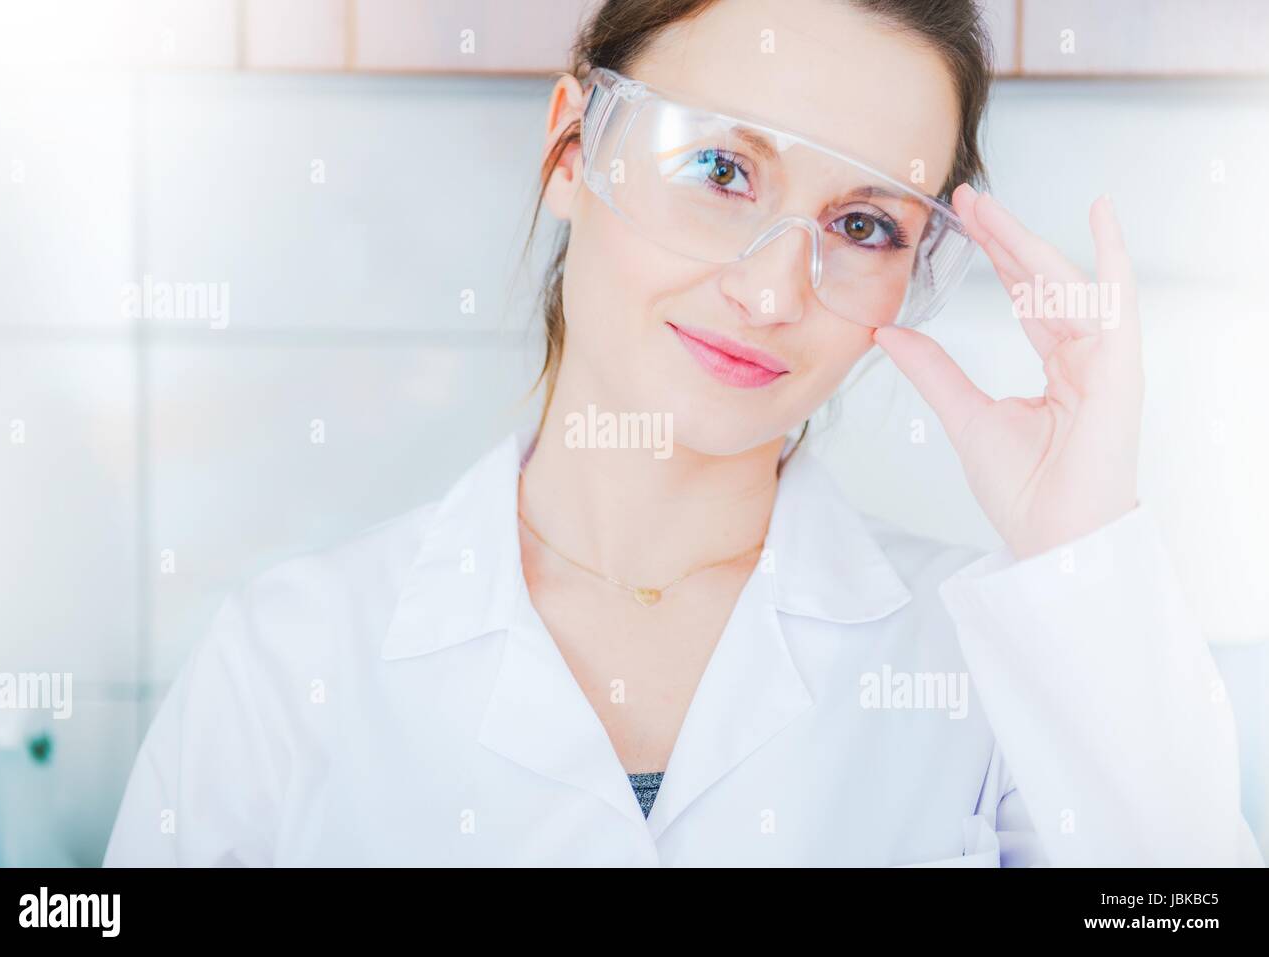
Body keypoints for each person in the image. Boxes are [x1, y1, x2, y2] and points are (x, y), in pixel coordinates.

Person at [103, 0, 1264, 866]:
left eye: (861, 223)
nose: (772, 292)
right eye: (720, 168)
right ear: (572, 147)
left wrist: (1085, 550)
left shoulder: (985, 668)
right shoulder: (288, 661)